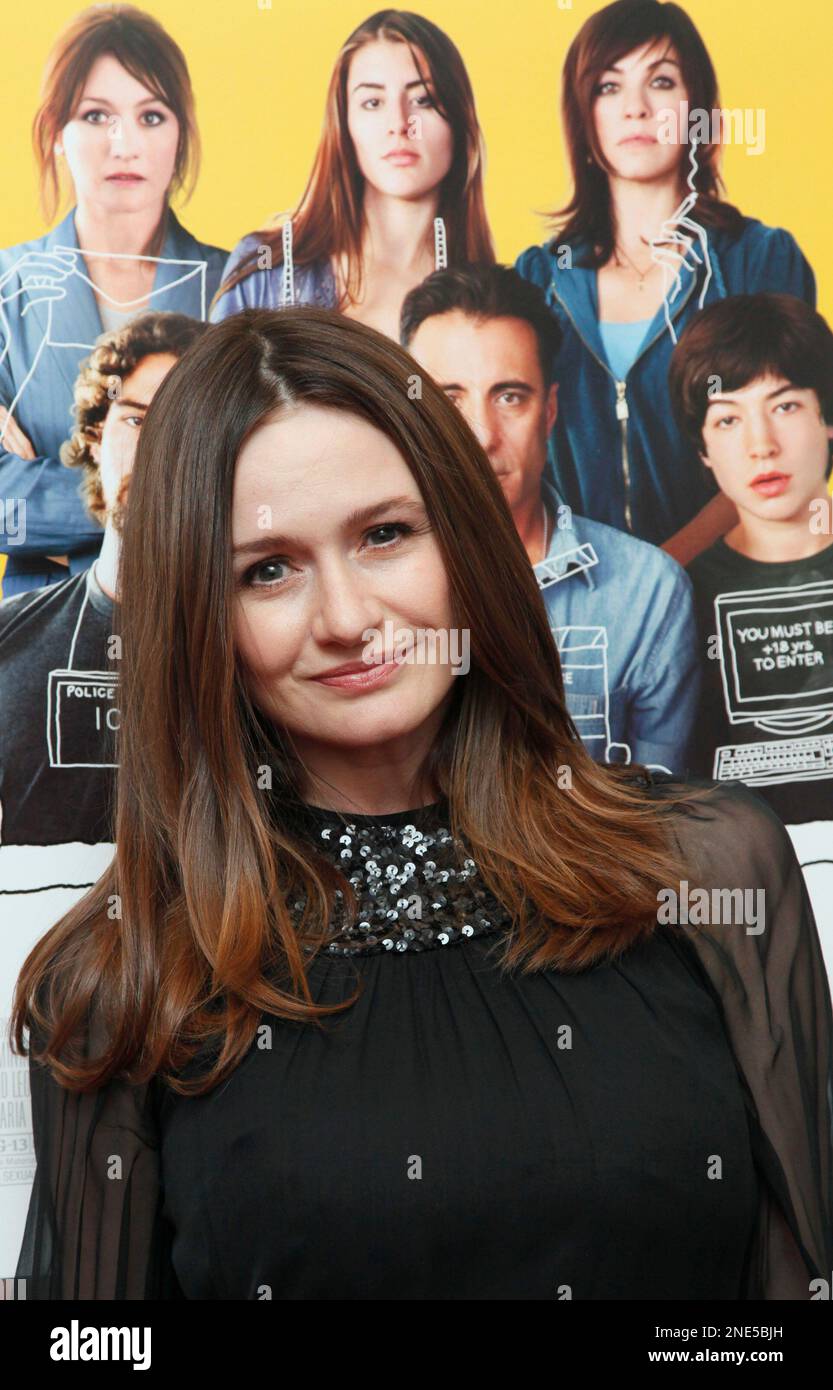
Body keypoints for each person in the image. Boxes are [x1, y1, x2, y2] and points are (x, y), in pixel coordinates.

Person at [11, 308, 832, 1301]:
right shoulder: (123, 977)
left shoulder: (710, 871)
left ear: (466, 537)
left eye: (385, 535)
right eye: (266, 570)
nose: (350, 620)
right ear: (197, 612)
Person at [0, 310, 206, 1280]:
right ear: (93, 434)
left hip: (219, 1126)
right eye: (135, 415)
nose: (157, 444)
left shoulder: (283, 661)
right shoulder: (7, 645)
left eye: (189, 419)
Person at [514, 0, 816, 564]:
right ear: (584, 116)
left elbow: (793, 444)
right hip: (581, 604)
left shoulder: (760, 260)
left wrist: (658, 577)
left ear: (696, 107)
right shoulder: (537, 278)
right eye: (608, 87)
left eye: (661, 81)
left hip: (732, 590)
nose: (636, 108)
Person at [401, 263, 699, 774]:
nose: (483, 436)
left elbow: (658, 819)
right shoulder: (360, 588)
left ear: (551, 411)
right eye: (449, 398)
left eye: (509, 397)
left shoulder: (646, 591)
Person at [0, 4, 227, 598]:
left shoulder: (233, 285)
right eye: (96, 115)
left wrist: (52, 489)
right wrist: (170, 493)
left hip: (199, 614)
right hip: (39, 623)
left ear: (180, 136)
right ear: (56, 133)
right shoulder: (7, 286)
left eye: (150, 116)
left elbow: (250, 485)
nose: (124, 143)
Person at [669, 292, 833, 976]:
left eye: (785, 405)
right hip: (743, 902)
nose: (759, 444)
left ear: (827, 419)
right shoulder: (670, 594)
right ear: (702, 451)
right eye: (726, 418)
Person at [210, 9, 494, 340]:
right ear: (344, 124)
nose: (399, 124)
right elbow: (212, 391)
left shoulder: (495, 296)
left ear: (459, 121)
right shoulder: (265, 271)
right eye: (373, 102)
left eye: (423, 100)